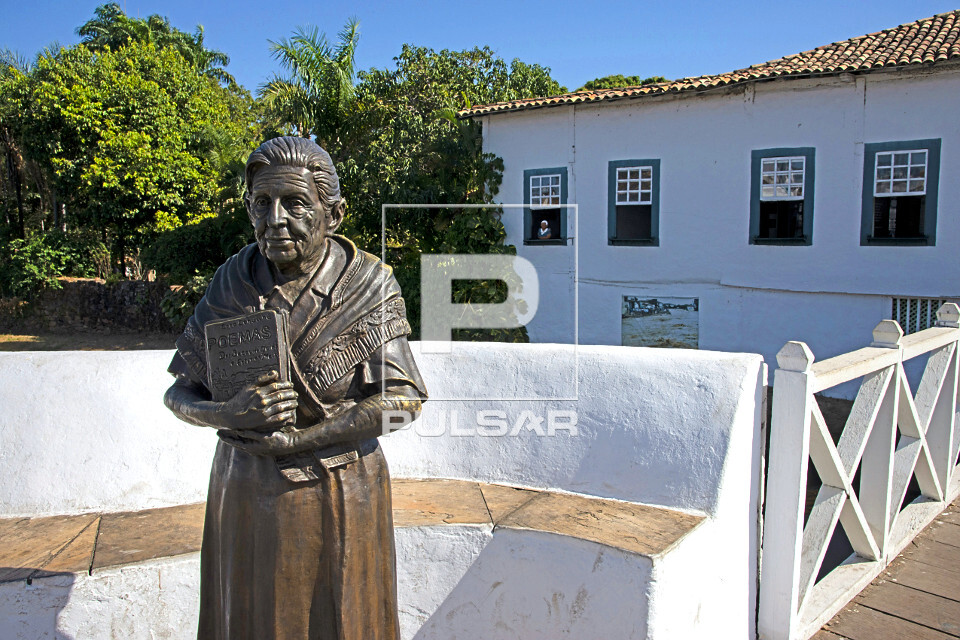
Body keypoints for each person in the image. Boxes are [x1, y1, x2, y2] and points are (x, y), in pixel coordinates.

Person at [163, 136, 426, 640]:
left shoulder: (367, 285)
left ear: (334, 214)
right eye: (261, 203)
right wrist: (227, 415)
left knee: (344, 620)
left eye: (295, 203)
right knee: (248, 621)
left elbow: (404, 402)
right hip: (244, 489)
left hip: (341, 489)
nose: (275, 219)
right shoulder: (231, 283)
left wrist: (302, 440)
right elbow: (179, 394)